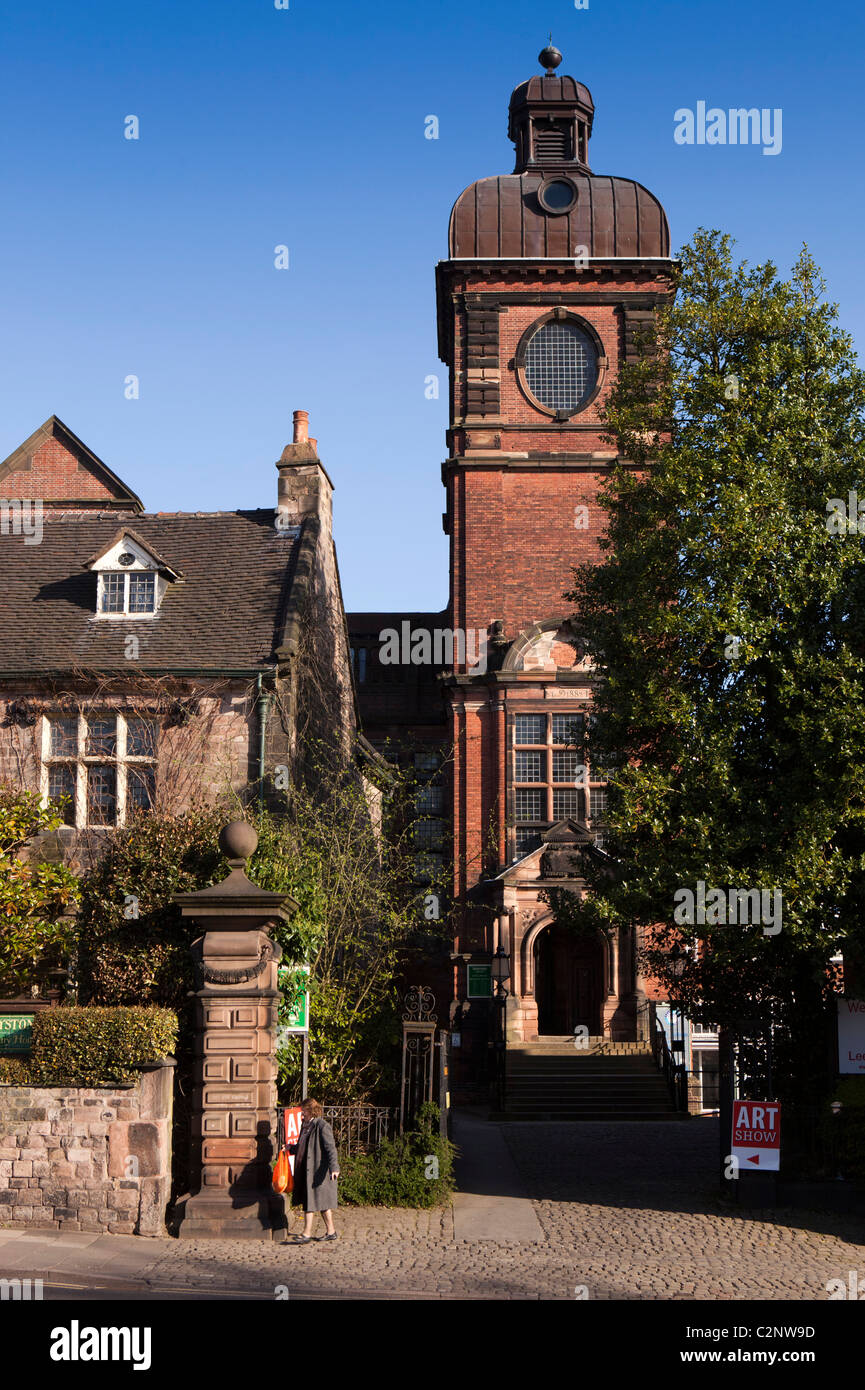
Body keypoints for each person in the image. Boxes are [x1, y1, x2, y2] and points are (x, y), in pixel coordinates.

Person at [287, 1097, 340, 1243]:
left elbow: (331, 1149)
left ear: (310, 1111)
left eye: (303, 1111)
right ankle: (331, 1232)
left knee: (311, 1202)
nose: (301, 1114)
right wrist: (291, 1148)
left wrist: (334, 1167)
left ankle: (306, 1233)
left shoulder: (322, 1126)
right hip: (306, 1170)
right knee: (321, 1204)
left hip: (317, 1171)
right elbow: (303, 1147)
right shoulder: (306, 1126)